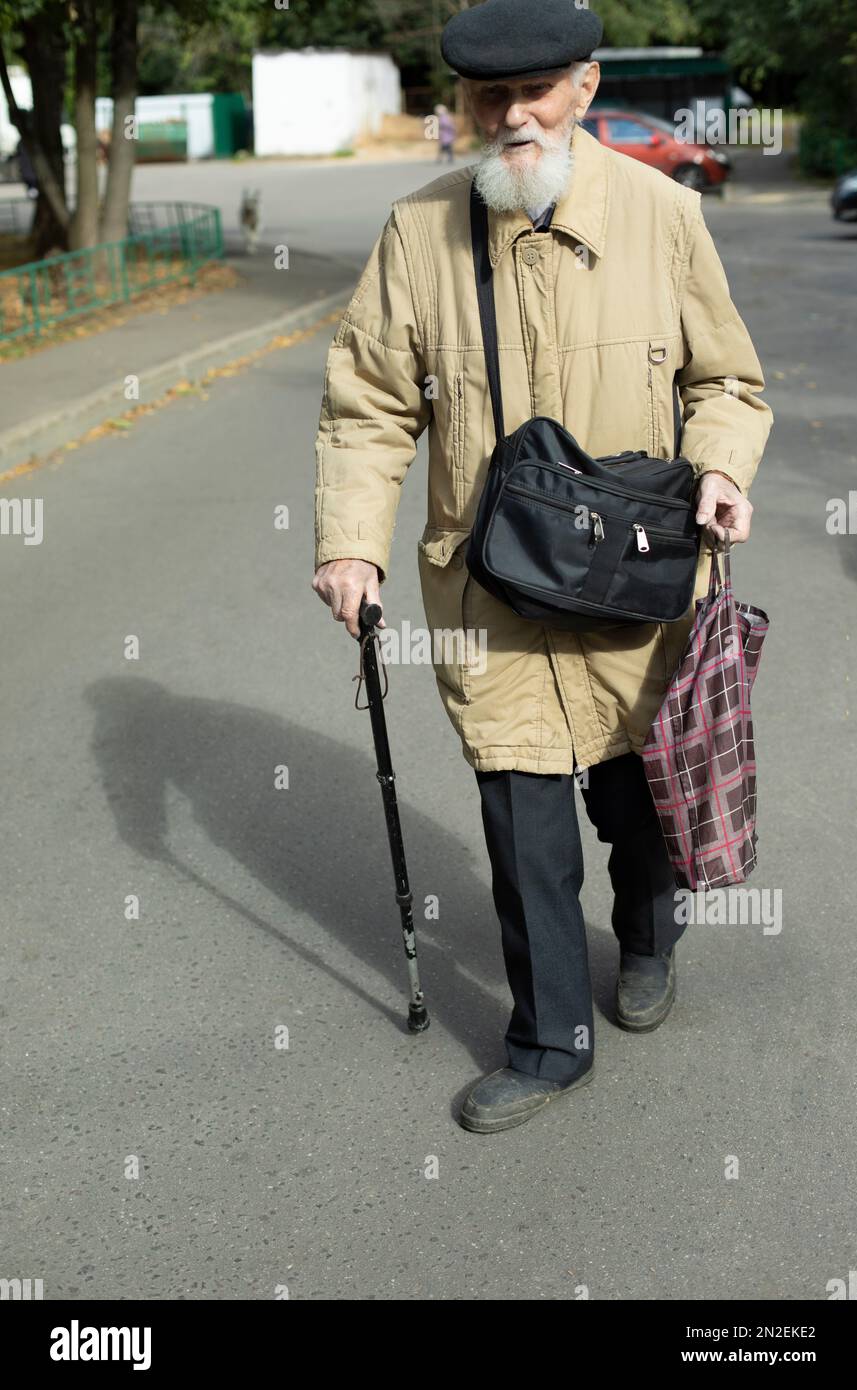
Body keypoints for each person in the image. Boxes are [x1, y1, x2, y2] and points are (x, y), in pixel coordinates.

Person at [311, 0, 772, 1133]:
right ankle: (548, 1039)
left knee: (636, 801)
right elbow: (367, 403)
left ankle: (649, 933)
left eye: (535, 93)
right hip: (493, 588)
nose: (512, 116)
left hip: (637, 580)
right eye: (486, 98)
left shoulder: (663, 214)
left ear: (582, 86)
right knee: (524, 829)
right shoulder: (419, 231)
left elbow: (726, 380)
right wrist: (348, 541)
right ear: (461, 105)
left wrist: (716, 468)